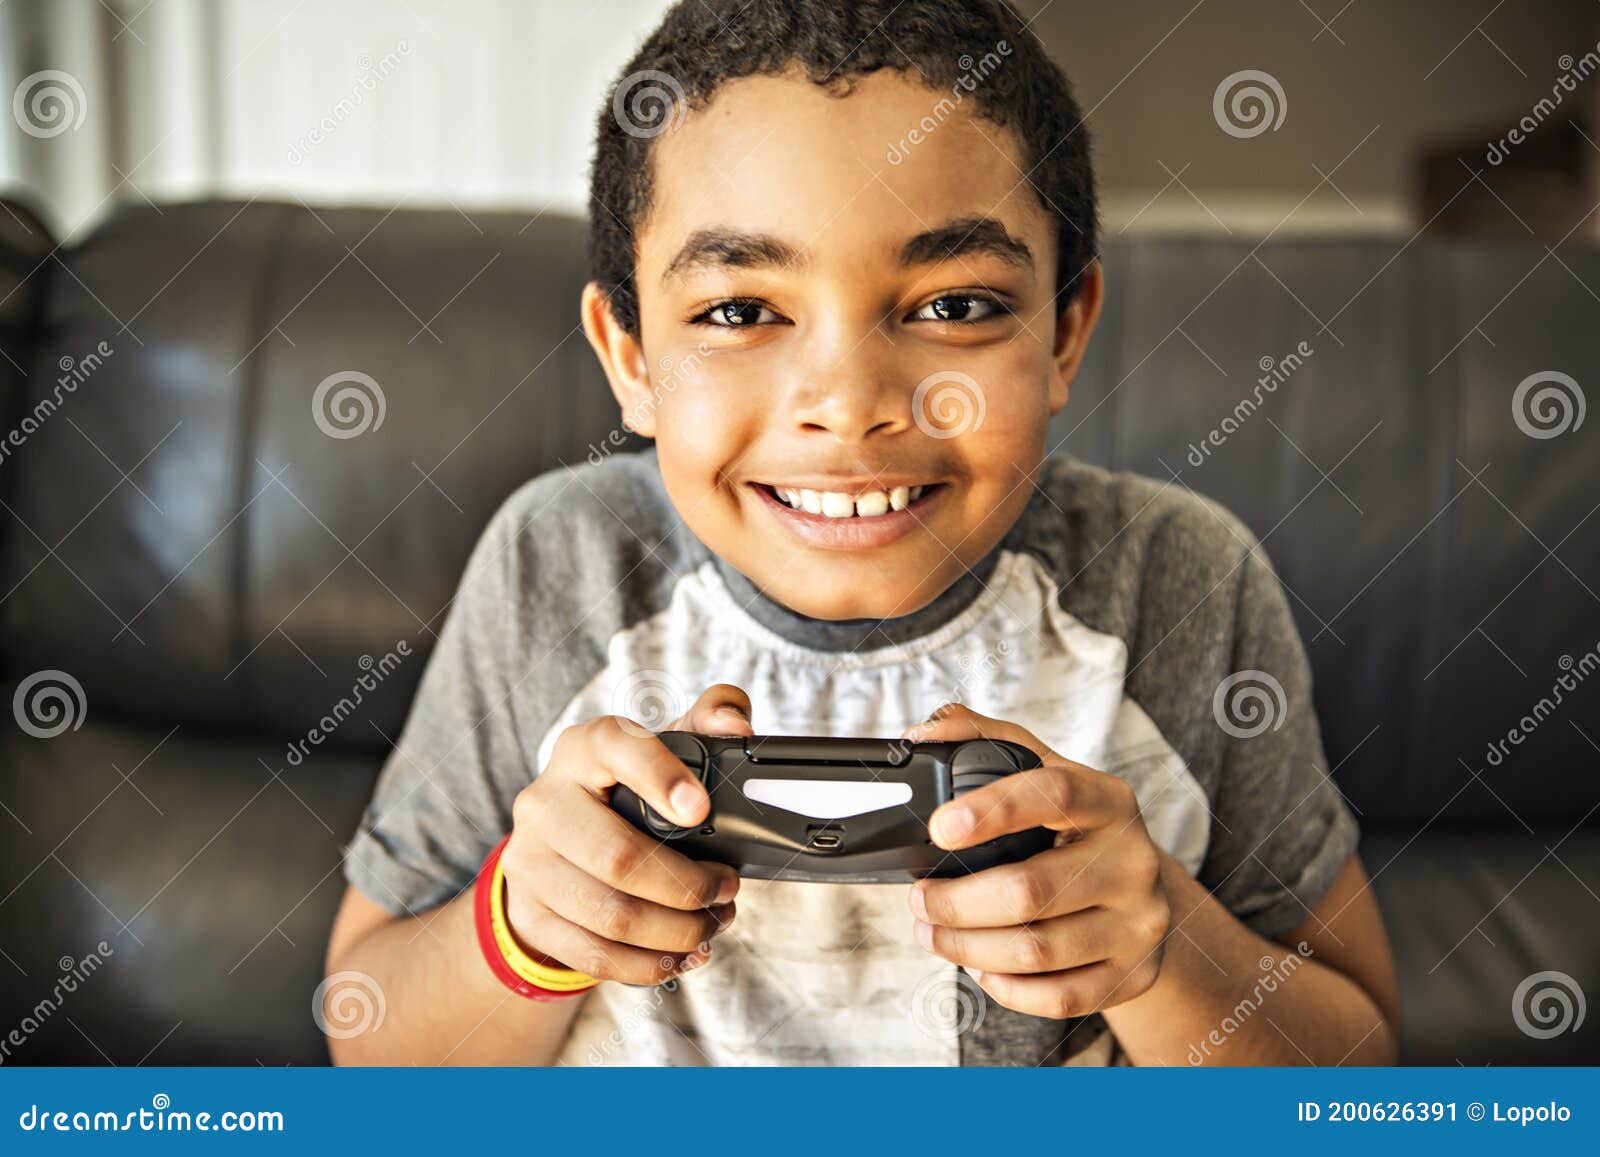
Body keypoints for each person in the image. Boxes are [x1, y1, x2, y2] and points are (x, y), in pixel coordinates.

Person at [325, 0, 1400, 1066]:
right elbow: (367, 1034)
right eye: (740, 311)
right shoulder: (555, 568)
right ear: (632, 357)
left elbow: (1358, 1075)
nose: (847, 403)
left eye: (954, 305)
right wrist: (521, 929)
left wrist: (1162, 943)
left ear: (1065, 331)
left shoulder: (1177, 581)